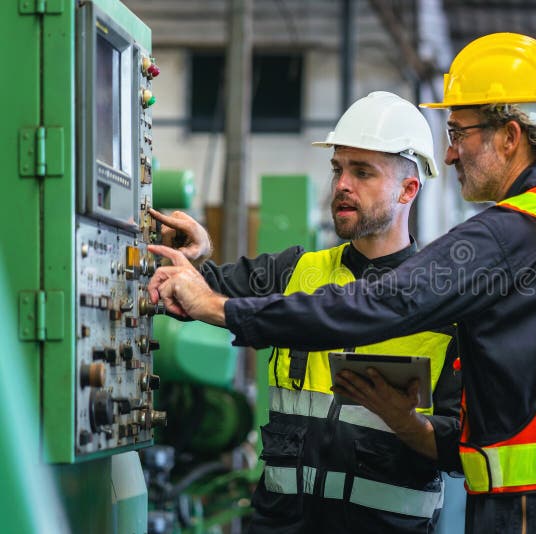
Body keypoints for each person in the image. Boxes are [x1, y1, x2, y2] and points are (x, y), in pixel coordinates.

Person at [148, 34, 536, 533]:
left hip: (525, 510)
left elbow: (379, 301)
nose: (452, 154)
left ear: (509, 136)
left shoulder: (500, 237)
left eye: (459, 133)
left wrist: (224, 310)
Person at [148, 91, 462, 533]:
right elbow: (191, 291)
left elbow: (461, 449)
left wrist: (404, 422)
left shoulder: (444, 306)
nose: (342, 186)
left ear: (408, 189)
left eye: (362, 172)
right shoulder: (297, 271)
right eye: (338, 170)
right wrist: (190, 256)